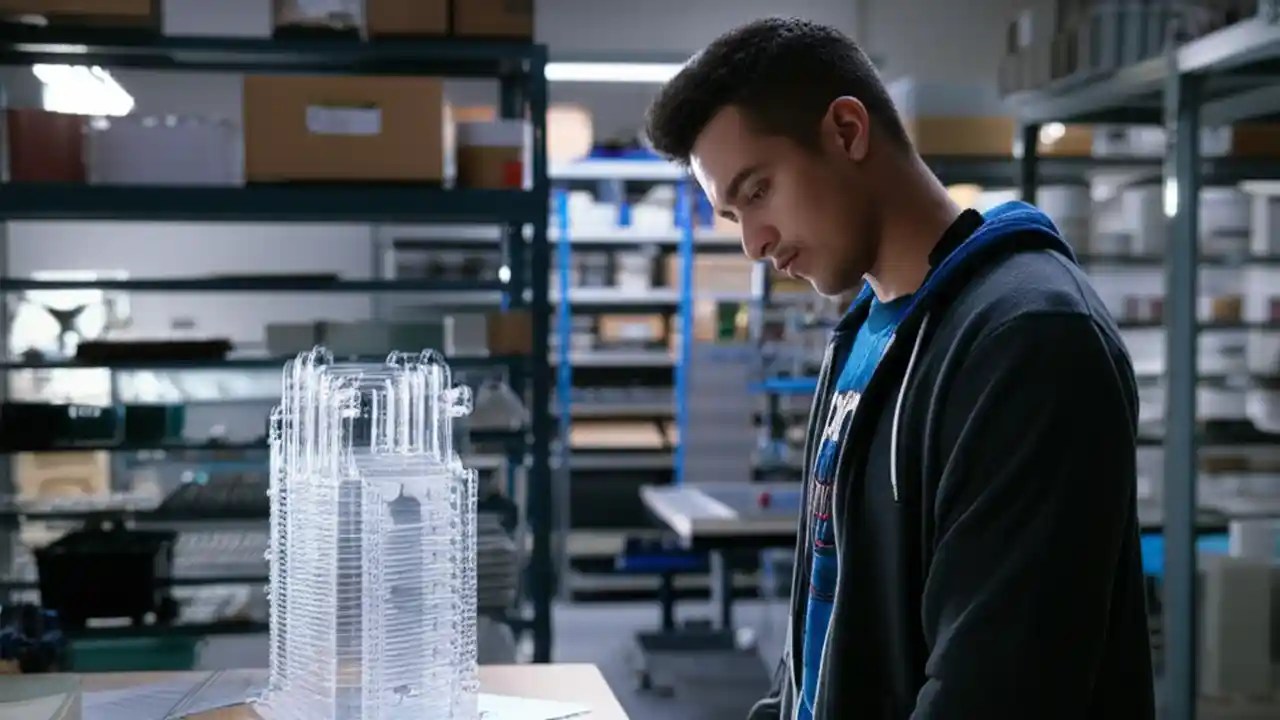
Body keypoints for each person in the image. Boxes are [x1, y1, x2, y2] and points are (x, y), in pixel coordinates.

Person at [643, 17, 1157, 720]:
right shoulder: (861, 340)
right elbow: (821, 636)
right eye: (734, 216)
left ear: (847, 130)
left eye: (757, 191)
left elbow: (993, 692)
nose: (754, 244)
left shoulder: (1030, 339)